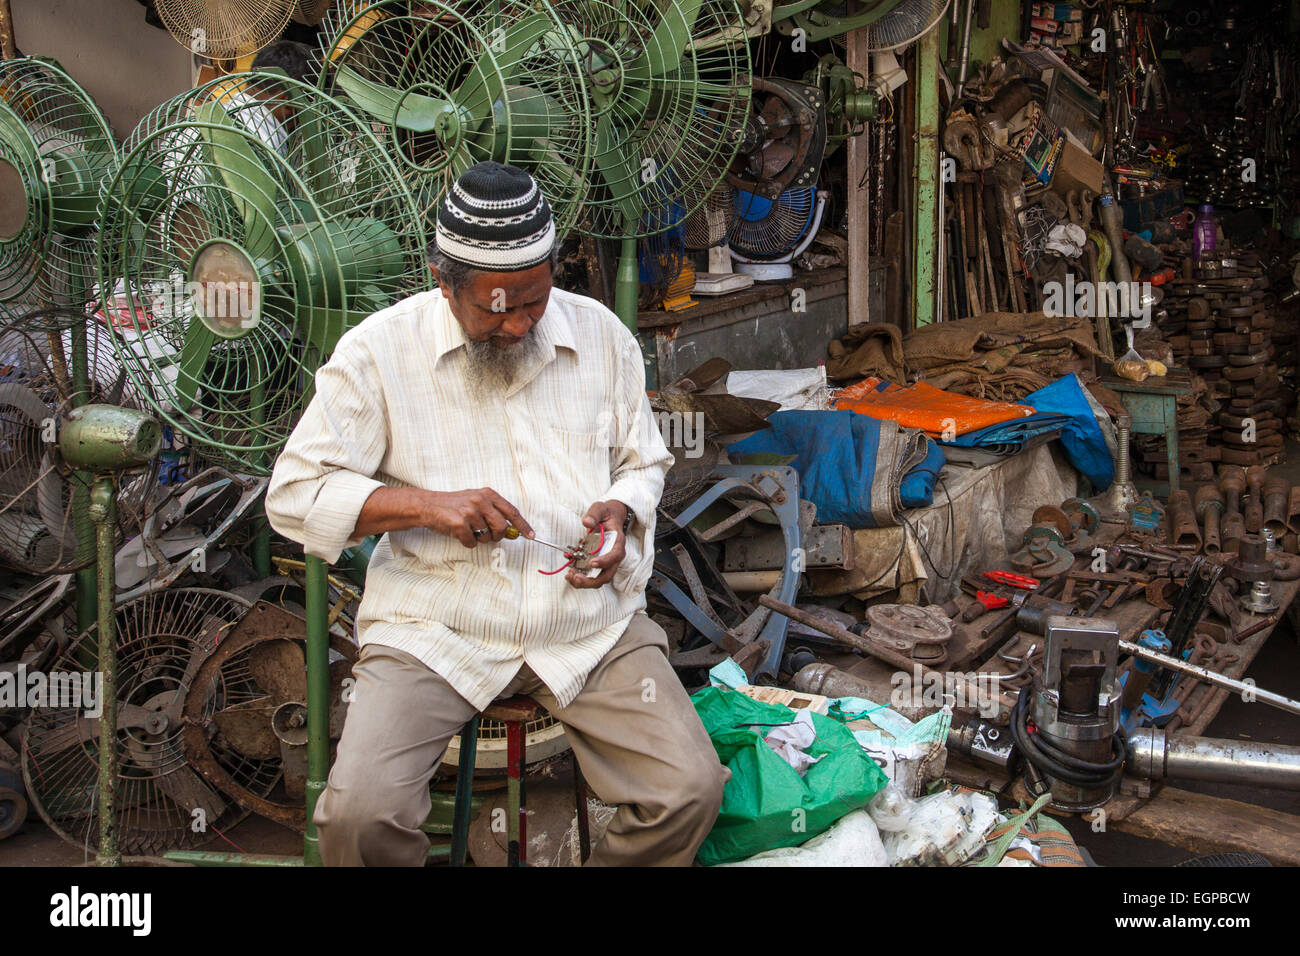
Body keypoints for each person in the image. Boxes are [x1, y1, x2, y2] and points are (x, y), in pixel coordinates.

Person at [265, 161, 729, 866]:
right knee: (358, 817)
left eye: (534, 302)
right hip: (436, 627)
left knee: (689, 788)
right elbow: (293, 496)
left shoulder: (600, 336)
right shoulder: (377, 352)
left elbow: (645, 464)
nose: (517, 325)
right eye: (495, 307)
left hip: (586, 628)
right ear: (441, 280)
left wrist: (620, 516)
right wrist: (426, 506)